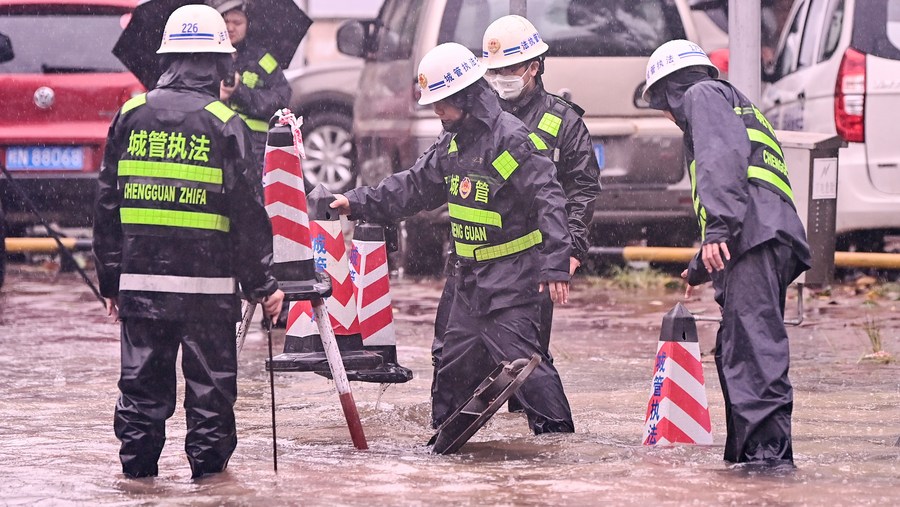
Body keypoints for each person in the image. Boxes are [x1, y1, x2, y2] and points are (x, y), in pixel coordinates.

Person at [331, 42, 575, 434]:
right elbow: (413, 186)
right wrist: (354, 201)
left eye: (442, 101)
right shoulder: (453, 142)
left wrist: (555, 265)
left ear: (468, 96)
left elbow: (549, 198)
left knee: (526, 369)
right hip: (469, 282)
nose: (436, 110)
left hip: (512, 280)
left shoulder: (509, 140)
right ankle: (445, 441)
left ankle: (558, 444)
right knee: (452, 371)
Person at [93, 4, 285, 479]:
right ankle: (211, 488)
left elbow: (106, 207)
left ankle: (137, 486)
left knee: (140, 395)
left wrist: (110, 281)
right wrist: (263, 284)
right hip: (207, 294)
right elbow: (246, 214)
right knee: (211, 401)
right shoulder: (224, 123)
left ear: (167, 59)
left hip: (141, 289)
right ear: (220, 62)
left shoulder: (131, 115)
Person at [642, 39, 811, 467]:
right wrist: (700, 265)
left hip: (752, 237)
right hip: (760, 237)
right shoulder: (731, 102)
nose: (665, 115)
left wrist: (717, 227)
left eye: (660, 103)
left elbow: (723, 159)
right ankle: (748, 460)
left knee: (753, 352)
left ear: (670, 90)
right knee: (739, 348)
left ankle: (766, 464)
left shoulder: (702, 96)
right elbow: (742, 175)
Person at [431, 15, 601, 413]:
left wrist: (569, 250)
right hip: (472, 262)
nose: (500, 78)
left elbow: (581, 189)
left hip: (530, 263)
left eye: (508, 69)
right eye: (492, 71)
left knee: (526, 360)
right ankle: (455, 436)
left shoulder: (562, 121)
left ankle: (537, 449)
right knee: (450, 355)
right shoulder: (471, 120)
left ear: (533, 68)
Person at [208, 0, 291, 199]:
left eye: (237, 22)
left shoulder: (263, 60)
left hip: (254, 148)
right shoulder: (205, 57)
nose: (230, 27)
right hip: (212, 142)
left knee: (253, 201)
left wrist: (240, 91)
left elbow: (281, 100)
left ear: (248, 24)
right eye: (225, 21)